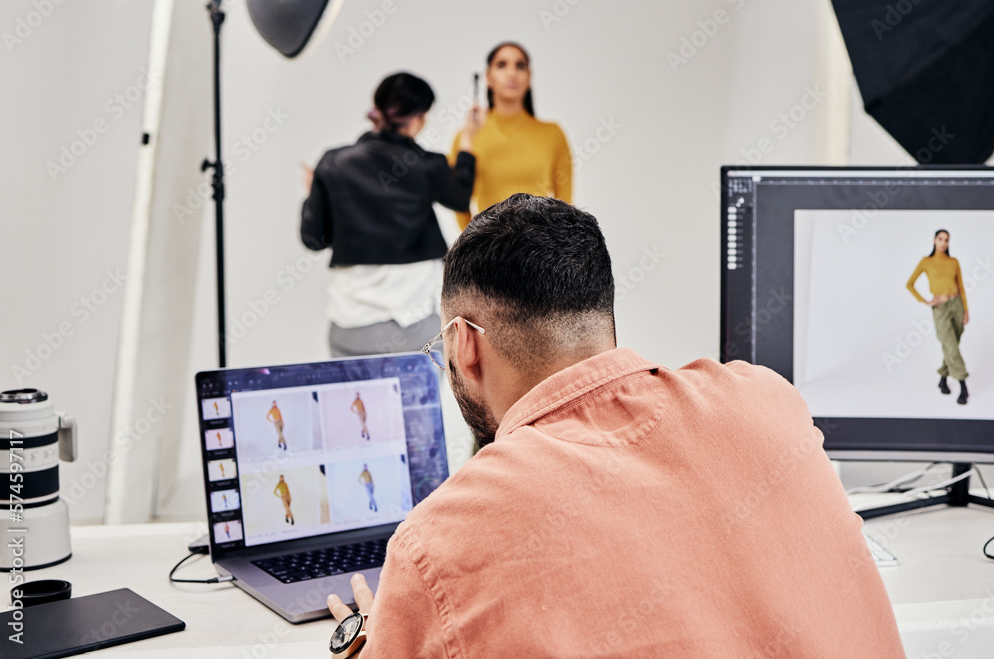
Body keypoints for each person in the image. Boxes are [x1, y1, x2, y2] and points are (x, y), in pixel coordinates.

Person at [325, 194, 904, 658]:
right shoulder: (768, 402)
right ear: (600, 314)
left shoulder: (439, 543)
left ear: (463, 344)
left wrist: (381, 634)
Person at [302, 72, 482, 358]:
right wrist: (468, 140)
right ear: (418, 119)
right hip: (419, 322)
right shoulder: (428, 165)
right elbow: (459, 197)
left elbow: (314, 239)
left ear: (377, 109)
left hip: (352, 324)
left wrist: (315, 195)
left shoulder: (333, 163)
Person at [449, 43, 572, 231]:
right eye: (502, 65)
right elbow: (458, 199)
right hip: (490, 242)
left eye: (520, 66)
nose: (512, 73)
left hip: (540, 242)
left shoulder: (552, 134)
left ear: (529, 77)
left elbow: (566, 203)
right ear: (488, 77)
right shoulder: (467, 137)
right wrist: (473, 242)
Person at [906, 229, 970, 404]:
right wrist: (926, 301)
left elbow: (961, 286)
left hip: (957, 305)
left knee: (952, 345)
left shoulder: (953, 261)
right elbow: (910, 284)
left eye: (946, 240)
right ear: (934, 240)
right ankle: (963, 384)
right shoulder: (926, 262)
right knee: (951, 346)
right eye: (940, 239)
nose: (943, 242)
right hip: (941, 308)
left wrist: (966, 310)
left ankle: (943, 378)